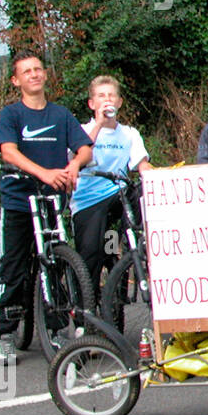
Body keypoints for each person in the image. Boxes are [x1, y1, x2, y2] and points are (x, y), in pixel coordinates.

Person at [0, 52, 93, 362]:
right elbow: (9, 153)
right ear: (16, 80)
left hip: (51, 202)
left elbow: (85, 148)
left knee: (56, 263)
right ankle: (5, 333)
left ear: (45, 75)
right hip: (19, 201)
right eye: (26, 71)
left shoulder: (61, 115)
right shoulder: (11, 115)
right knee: (13, 267)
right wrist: (45, 173)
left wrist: (74, 165)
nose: (34, 74)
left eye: (38, 69)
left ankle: (56, 326)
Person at [70, 76, 151, 300]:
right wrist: (98, 123)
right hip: (89, 201)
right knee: (90, 257)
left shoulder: (130, 134)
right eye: (101, 96)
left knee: (139, 190)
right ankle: (85, 310)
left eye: (111, 96)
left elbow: (141, 165)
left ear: (119, 102)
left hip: (118, 196)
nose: (107, 100)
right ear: (92, 103)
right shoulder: (82, 130)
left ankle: (135, 243)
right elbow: (79, 155)